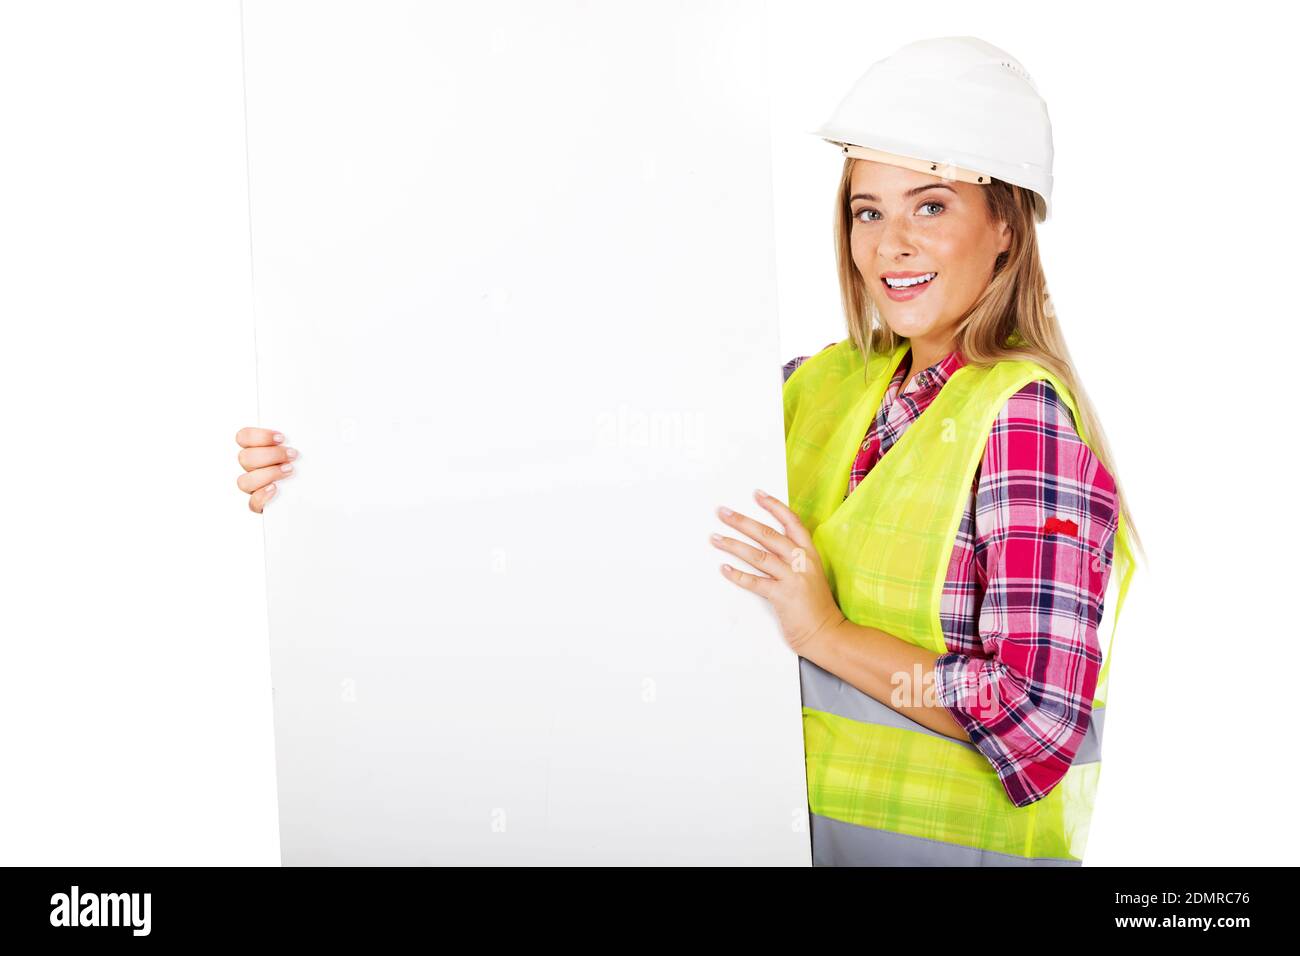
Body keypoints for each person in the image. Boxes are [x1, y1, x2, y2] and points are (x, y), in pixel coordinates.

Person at [710, 37, 1142, 865]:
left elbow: (1036, 720)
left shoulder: (1024, 427)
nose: (889, 245)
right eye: (868, 210)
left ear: (1007, 225)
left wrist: (826, 632)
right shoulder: (819, 387)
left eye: (931, 206)